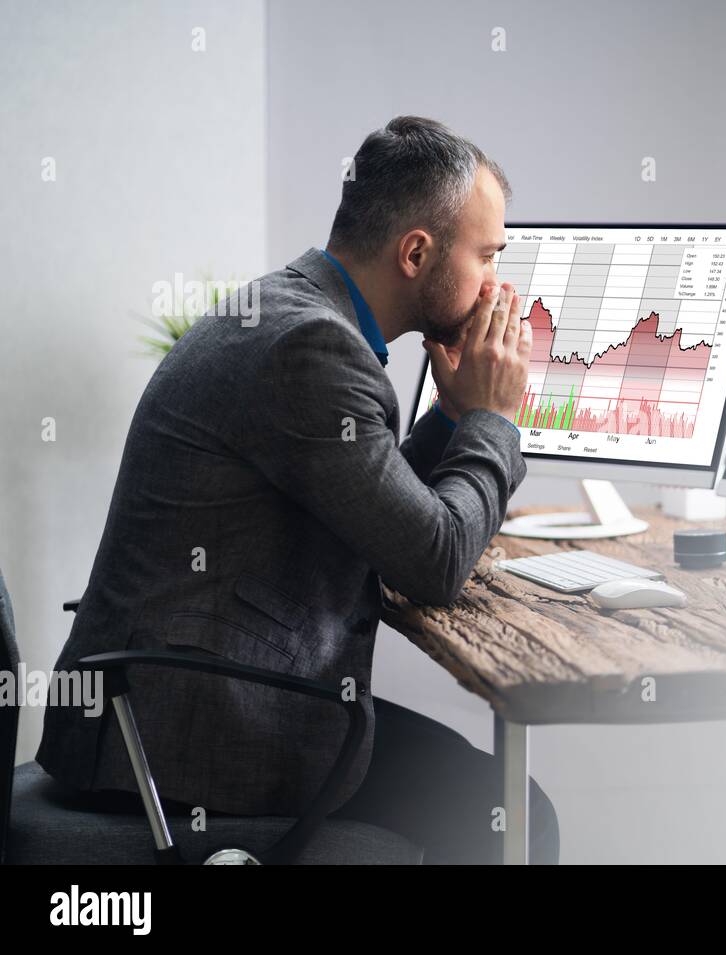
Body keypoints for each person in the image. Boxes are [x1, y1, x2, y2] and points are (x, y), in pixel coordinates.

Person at [36, 116, 559, 864]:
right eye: (487, 255)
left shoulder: (293, 310)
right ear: (416, 252)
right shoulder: (313, 348)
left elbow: (378, 504)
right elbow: (436, 559)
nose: (497, 285)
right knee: (515, 812)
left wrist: (448, 414)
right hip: (183, 734)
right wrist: (492, 418)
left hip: (164, 700)